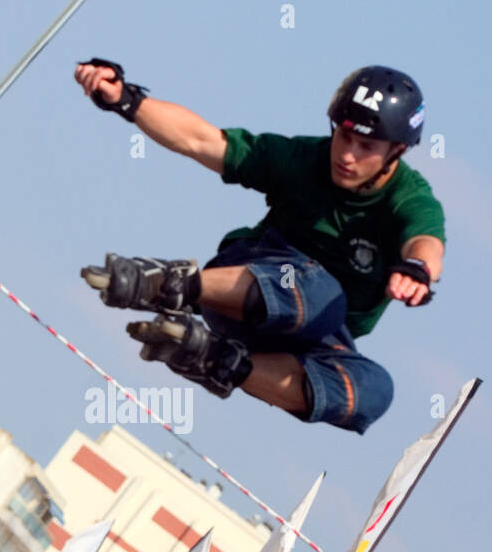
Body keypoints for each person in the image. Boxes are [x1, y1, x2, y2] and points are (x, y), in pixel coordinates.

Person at [76, 60, 445, 435]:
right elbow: (202, 141)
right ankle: (175, 285)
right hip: (242, 289)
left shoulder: (408, 196)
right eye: (343, 136)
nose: (346, 155)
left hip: (294, 338)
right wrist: (126, 99)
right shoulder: (302, 159)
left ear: (396, 150)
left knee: (375, 391)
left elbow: (426, 239)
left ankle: (220, 360)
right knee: (321, 291)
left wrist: (417, 267)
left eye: (365, 145)